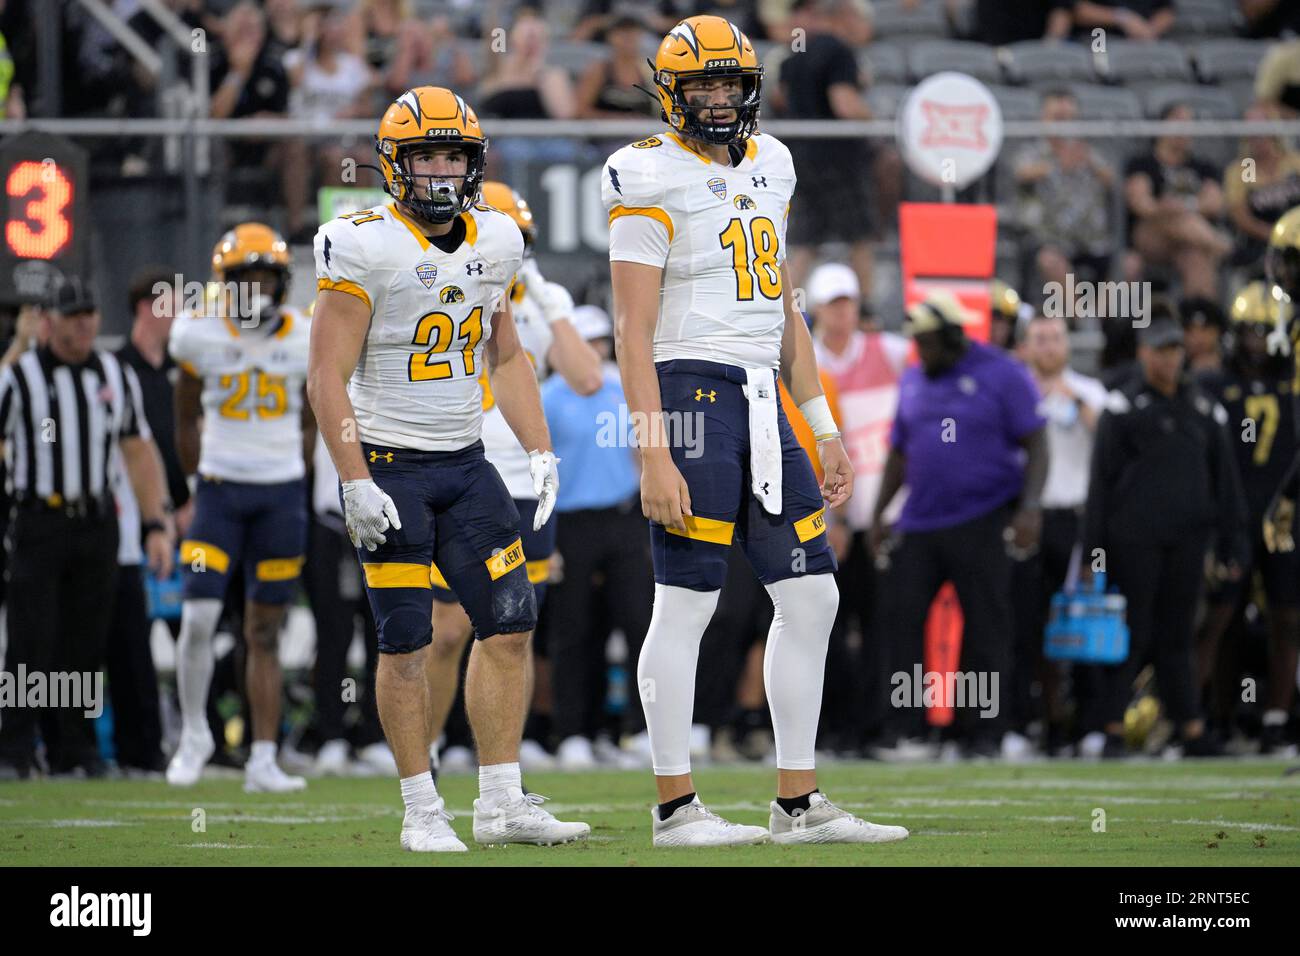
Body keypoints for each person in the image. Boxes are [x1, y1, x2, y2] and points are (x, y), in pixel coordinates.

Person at [603, 15, 907, 847]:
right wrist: (652, 445)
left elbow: (782, 306)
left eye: (728, 85)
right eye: (699, 86)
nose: (715, 100)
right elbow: (631, 331)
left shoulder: (774, 162)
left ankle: (798, 802)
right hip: (689, 390)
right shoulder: (643, 173)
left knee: (812, 595)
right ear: (669, 93)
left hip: (765, 396)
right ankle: (673, 807)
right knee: (689, 599)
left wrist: (823, 425)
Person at [309, 85, 590, 852]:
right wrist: (354, 474)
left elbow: (505, 353)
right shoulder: (362, 241)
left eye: (453, 155)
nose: (439, 170)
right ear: (395, 164)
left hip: (467, 465)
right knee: (405, 641)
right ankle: (420, 808)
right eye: (426, 154)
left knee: (510, 624)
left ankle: (500, 801)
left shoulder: (496, 239)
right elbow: (325, 376)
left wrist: (538, 447)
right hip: (392, 467)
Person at [425, 181, 603, 775]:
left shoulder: (534, 294)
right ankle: (422, 759)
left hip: (525, 483)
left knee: (515, 629)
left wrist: (551, 305)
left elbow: (587, 378)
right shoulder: (443, 282)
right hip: (463, 471)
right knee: (448, 630)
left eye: (519, 241)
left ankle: (502, 769)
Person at [0, 277, 173, 778]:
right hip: (38, 519)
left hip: (96, 523)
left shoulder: (115, 376)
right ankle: (14, 747)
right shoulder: (20, 377)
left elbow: (138, 451)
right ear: (49, 322)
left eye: (90, 314)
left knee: (84, 642)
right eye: (74, 316)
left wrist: (154, 522)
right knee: (30, 640)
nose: (85, 324)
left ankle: (74, 748)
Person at [166, 224, 314, 794]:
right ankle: (196, 734)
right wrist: (192, 485)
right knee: (198, 618)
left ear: (282, 284)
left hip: (280, 498)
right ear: (225, 285)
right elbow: (183, 418)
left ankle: (263, 757)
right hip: (220, 495)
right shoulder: (198, 335)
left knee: (266, 632)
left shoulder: (302, 336)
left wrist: (292, 467)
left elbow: (309, 413)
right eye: (243, 281)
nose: (254, 291)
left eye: (264, 279)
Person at [870, 292, 1048, 756]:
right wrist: (879, 513)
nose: (922, 353)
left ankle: (983, 733)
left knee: (987, 625)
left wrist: (1030, 508)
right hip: (921, 520)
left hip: (983, 516)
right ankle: (907, 729)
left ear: (953, 338)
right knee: (901, 620)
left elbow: (1038, 443)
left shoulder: (1002, 373)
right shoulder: (913, 379)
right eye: (918, 343)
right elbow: (898, 453)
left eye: (929, 343)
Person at [1084, 313, 1247, 758]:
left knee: (1178, 635)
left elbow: (1226, 482)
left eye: (1175, 350)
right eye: (1160, 350)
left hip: (1189, 538)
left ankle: (1190, 728)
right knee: (1131, 632)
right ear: (1142, 354)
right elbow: (1100, 484)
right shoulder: (1122, 406)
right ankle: (1112, 727)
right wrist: (1092, 549)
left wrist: (1233, 540)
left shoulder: (1203, 406)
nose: (1169, 359)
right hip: (1133, 539)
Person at [541, 305, 655, 765]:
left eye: (601, 341)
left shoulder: (624, 387)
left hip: (625, 518)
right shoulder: (546, 395)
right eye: (587, 342)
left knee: (640, 624)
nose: (597, 350)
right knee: (573, 630)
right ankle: (572, 732)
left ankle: (639, 730)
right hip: (570, 523)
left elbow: (641, 454)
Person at [1198, 282, 1298, 755]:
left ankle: (1276, 718)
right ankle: (1210, 717)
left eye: (1264, 331)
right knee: (1222, 617)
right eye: (1248, 331)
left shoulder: (1291, 384)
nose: (1255, 341)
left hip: (1283, 517)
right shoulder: (1215, 385)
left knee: (1287, 617)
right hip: (1232, 517)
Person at [1016, 311, 1108, 753]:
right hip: (1031, 516)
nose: (1048, 346)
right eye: (1040, 339)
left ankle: (1088, 723)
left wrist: (1073, 401)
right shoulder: (1017, 389)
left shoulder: (1089, 390)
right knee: (1029, 623)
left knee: (1081, 621)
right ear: (1027, 346)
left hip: (1077, 519)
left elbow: (1110, 446)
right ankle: (1039, 722)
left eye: (1055, 338)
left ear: (1068, 345)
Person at [1124, 104, 1231, 300]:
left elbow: (1215, 203)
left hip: (1191, 240)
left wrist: (1185, 208)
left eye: (1189, 123)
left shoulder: (1202, 165)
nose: (1185, 129)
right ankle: (1219, 245)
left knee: (1196, 260)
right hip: (1152, 234)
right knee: (1173, 218)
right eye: (1179, 122)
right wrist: (1165, 209)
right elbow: (1140, 203)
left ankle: (1199, 321)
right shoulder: (1143, 163)